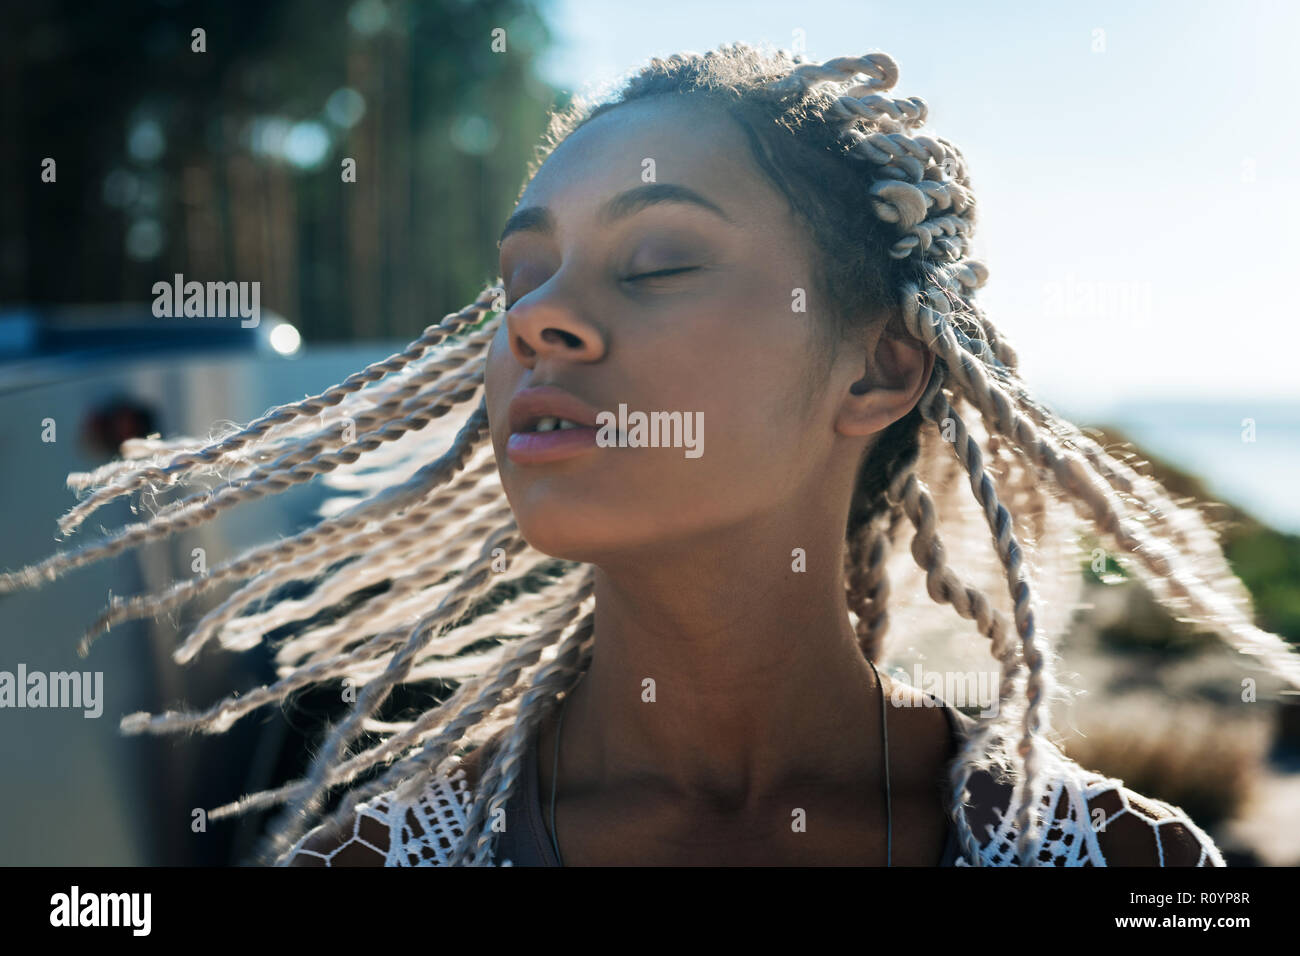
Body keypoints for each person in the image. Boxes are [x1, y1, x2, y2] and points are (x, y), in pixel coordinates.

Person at [5, 43, 1296, 866]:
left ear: (881, 367)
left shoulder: (1124, 866)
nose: (536, 317)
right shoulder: (380, 862)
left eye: (661, 260)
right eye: (520, 274)